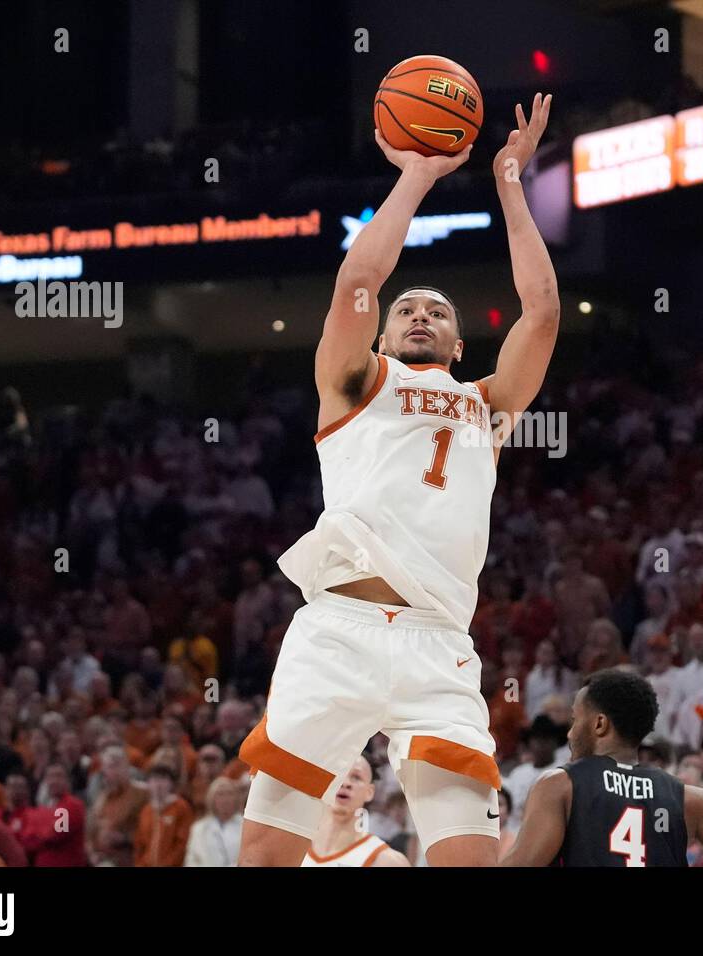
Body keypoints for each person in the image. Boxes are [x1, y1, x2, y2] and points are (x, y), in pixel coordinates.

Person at [239, 93, 559, 868]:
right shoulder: (353, 381)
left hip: (438, 645)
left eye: (437, 312)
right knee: (264, 856)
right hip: (338, 632)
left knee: (468, 859)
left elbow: (543, 311)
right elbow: (359, 275)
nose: (419, 314)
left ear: (457, 344)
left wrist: (510, 180)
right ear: (382, 331)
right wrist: (416, 175)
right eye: (406, 308)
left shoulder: (486, 405)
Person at [500, 669, 703, 867]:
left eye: (574, 720)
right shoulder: (689, 799)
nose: (568, 734)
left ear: (598, 724)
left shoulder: (560, 785)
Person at [301, 756, 408, 868]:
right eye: (339, 773)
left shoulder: (389, 861)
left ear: (370, 792)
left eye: (356, 777)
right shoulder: (292, 842)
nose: (345, 783)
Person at [502, 715, 564, 828]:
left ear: (555, 742)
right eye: (537, 739)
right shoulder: (519, 773)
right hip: (514, 831)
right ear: (530, 742)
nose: (541, 745)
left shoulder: (562, 772)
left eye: (546, 739)